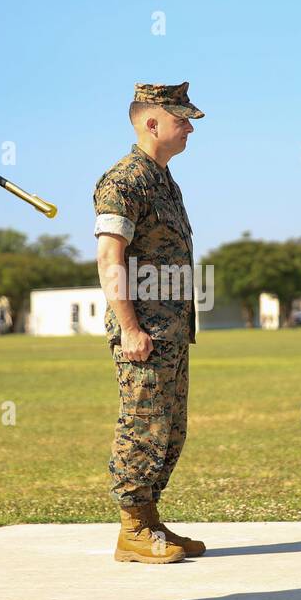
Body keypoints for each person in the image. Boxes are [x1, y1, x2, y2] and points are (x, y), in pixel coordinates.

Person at [93, 82, 205, 564]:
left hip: (171, 331)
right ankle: (132, 528)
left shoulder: (163, 179)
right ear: (151, 123)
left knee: (168, 428)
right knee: (143, 425)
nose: (189, 128)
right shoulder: (125, 180)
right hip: (144, 331)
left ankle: (150, 519)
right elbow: (108, 256)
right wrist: (129, 327)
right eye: (182, 119)